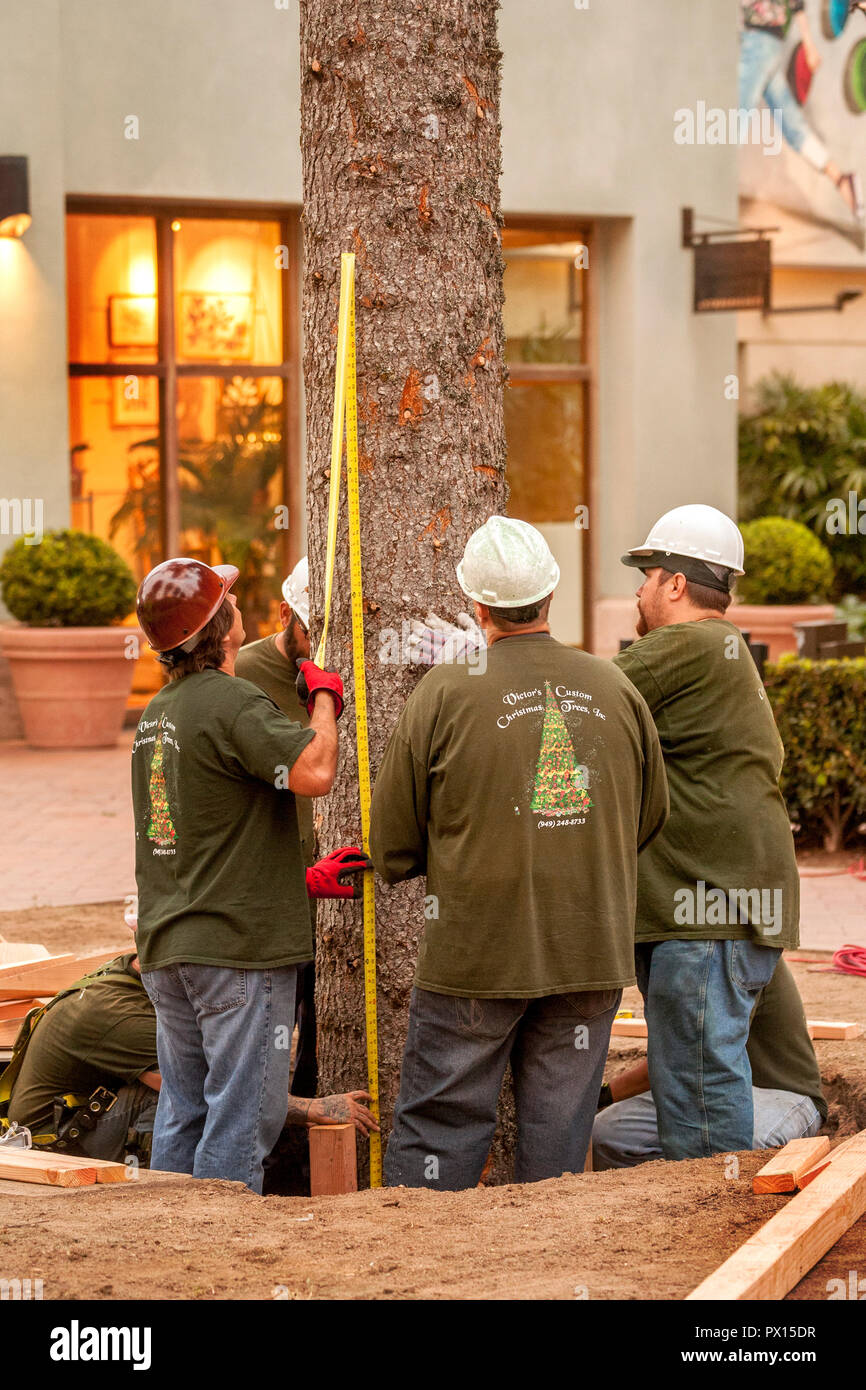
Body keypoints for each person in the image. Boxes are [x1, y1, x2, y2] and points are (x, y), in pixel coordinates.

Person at [369, 517, 669, 1190]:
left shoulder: (442, 693)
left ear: (476, 607)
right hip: (589, 953)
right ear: (552, 596)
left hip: (474, 957)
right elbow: (648, 818)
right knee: (558, 1135)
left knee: (438, 1131)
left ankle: (418, 1275)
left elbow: (389, 845)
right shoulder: (617, 689)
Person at [132, 556, 353, 1192]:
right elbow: (314, 773)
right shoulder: (231, 701)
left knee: (185, 1111)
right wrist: (324, 698)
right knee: (241, 1118)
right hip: (237, 953)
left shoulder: (156, 716)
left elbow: (202, 827)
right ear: (220, 626)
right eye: (229, 599)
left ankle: (171, 1248)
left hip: (172, 948)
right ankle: (218, 1266)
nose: (239, 608)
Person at [612, 503, 800, 1161]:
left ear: (676, 583)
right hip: (724, 904)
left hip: (707, 911)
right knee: (693, 1072)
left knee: (698, 1087)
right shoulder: (721, 649)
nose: (639, 588)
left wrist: (482, 662)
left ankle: (715, 1224)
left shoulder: (686, 644)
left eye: (647, 573)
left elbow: (578, 699)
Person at [4, 941, 378, 1166]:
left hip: (68, 1117)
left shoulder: (130, 970)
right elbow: (205, 1088)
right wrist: (311, 1109)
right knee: (179, 1097)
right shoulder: (120, 1017)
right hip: (53, 1147)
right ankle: (175, 1187)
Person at [592, 958, 826, 1167]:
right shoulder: (680, 957)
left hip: (781, 1093)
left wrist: (603, 1096)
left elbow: (695, 1056)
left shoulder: (734, 957)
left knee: (743, 1151)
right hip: (700, 1089)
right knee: (607, 1136)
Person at [235, 557, 318, 1095]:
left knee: (323, 1027)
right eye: (315, 629)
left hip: (336, 880)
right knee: (268, 1033)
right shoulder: (240, 675)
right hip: (273, 887)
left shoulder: (360, 666)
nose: (322, 643)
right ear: (286, 613)